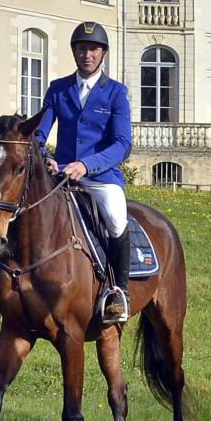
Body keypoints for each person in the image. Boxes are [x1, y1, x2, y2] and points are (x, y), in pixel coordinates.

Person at [35, 21, 134, 324]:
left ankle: (119, 291)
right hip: (61, 175)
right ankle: (7, 290)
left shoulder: (116, 93)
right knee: (25, 211)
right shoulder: (58, 89)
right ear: (74, 52)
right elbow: (39, 132)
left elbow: (122, 144)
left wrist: (87, 165)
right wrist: (46, 158)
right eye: (82, 48)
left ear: (102, 54)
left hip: (101, 177)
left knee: (117, 219)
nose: (87, 54)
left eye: (93, 49)